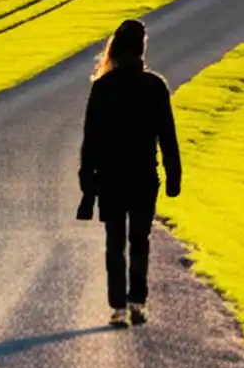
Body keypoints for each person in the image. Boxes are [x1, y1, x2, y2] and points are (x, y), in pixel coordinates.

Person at [78, 19, 181, 327]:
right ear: (141, 49)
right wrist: (174, 176)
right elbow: (167, 136)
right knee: (140, 239)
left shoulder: (103, 88)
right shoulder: (155, 86)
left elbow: (91, 140)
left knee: (115, 241)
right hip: (143, 177)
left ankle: (118, 307)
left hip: (111, 177)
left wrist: (87, 184)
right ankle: (137, 301)